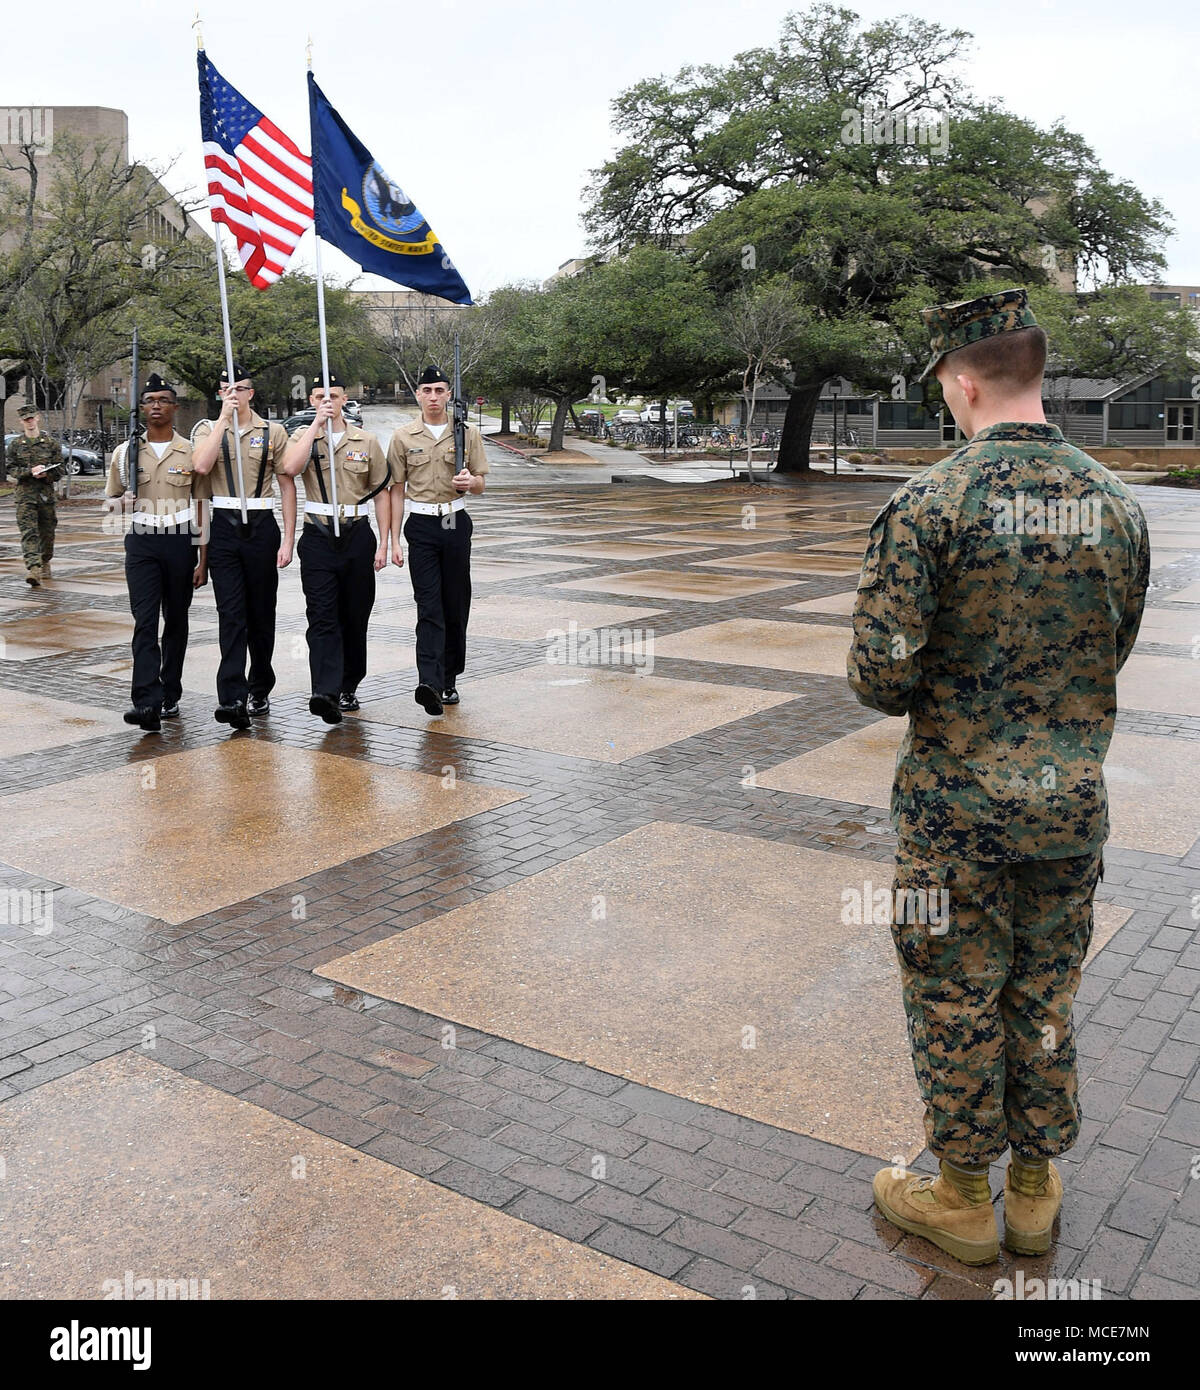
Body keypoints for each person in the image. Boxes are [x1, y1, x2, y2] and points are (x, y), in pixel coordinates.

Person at [848, 288, 1150, 1265]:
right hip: (1069, 810)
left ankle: (963, 1193)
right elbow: (1116, 643)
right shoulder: (1118, 507)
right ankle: (1033, 1187)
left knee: (954, 993)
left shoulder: (927, 506)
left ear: (963, 382)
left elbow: (880, 674)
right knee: (1045, 992)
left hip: (954, 816)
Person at [191, 362, 297, 729]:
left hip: (261, 526)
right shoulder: (207, 429)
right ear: (221, 394)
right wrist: (222, 420)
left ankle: (259, 687)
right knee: (230, 614)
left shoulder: (273, 431)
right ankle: (231, 696)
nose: (233, 395)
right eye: (226, 389)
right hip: (224, 527)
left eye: (240, 389)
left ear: (251, 393)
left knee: (260, 614)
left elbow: (286, 485)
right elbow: (201, 469)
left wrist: (288, 539)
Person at [103, 374, 210, 733]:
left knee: (176, 621)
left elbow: (201, 505)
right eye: (150, 400)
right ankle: (145, 701)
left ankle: (170, 693)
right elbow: (108, 505)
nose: (156, 406)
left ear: (175, 407)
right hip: (143, 541)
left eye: (163, 400)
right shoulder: (125, 452)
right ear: (142, 407)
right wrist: (121, 503)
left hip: (180, 540)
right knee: (145, 622)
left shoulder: (191, 452)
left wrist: (203, 558)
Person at [280, 374, 389, 724]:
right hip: (318, 536)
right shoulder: (303, 436)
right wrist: (316, 424)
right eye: (318, 396)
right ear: (311, 400)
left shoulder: (366, 440)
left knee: (354, 617)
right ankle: (324, 691)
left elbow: (382, 491)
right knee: (322, 616)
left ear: (345, 399)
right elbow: (290, 468)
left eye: (334, 396)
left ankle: (348, 685)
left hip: (357, 534)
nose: (327, 401)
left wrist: (385, 541)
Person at [387, 364, 488, 717]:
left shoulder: (467, 433)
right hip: (422, 525)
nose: (433, 397)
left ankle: (449, 678)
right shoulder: (403, 437)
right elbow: (396, 490)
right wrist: (394, 539)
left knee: (455, 604)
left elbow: (481, 482)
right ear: (418, 394)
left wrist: (469, 483)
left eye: (439, 390)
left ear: (448, 394)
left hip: (455, 520)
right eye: (427, 390)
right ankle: (428, 681)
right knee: (428, 605)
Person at [7, 404, 64, 586]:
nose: (29, 422)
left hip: (45, 495)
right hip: (25, 496)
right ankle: (34, 568)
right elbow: (11, 468)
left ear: (38, 418)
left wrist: (47, 473)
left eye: (32, 418)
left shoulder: (50, 444)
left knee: (47, 532)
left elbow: (60, 469)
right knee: (29, 532)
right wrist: (29, 472)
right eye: (26, 419)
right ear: (21, 421)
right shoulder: (16, 445)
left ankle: (45, 560)